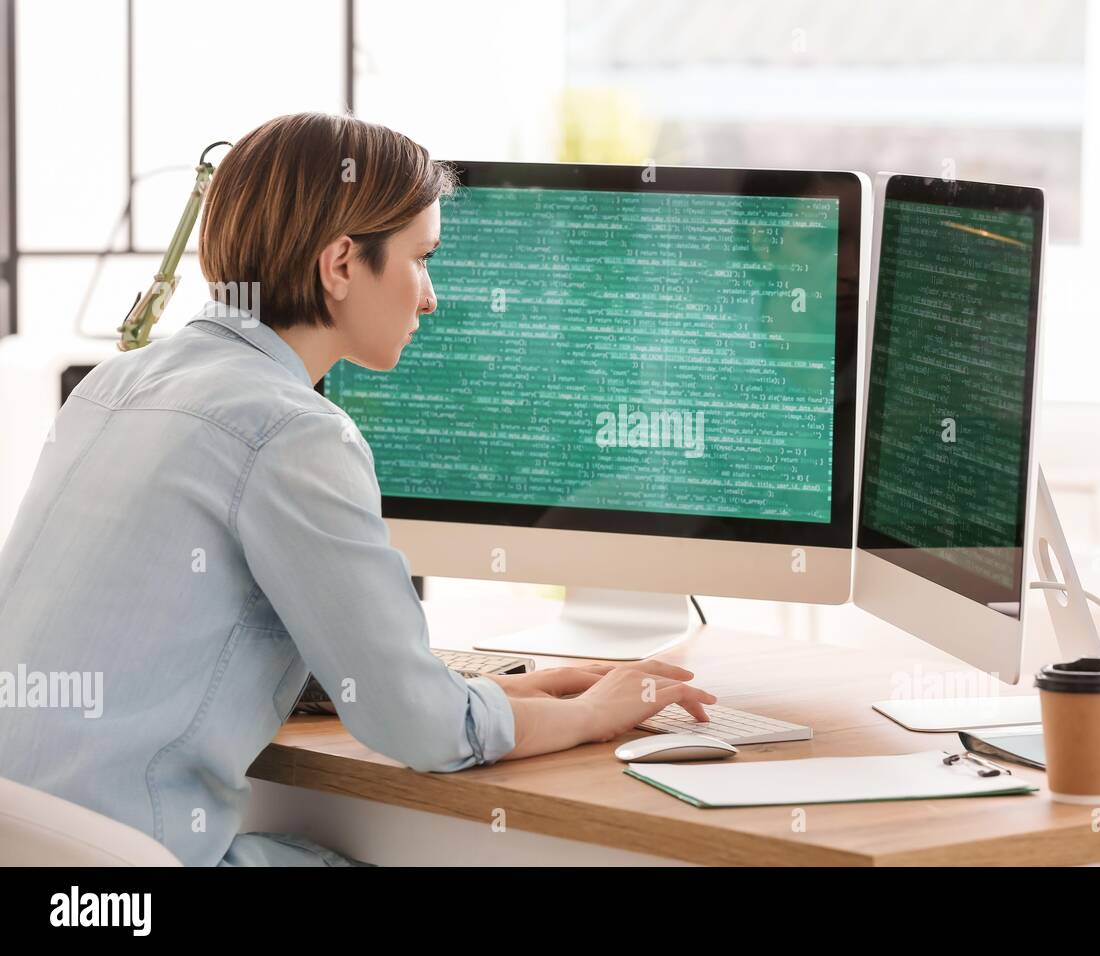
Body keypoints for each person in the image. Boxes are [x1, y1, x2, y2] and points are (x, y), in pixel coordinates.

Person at [0, 112, 716, 866]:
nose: (431, 297)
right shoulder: (291, 431)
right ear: (342, 264)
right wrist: (593, 715)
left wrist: (529, 696)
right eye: (421, 258)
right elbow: (421, 730)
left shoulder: (117, 381)